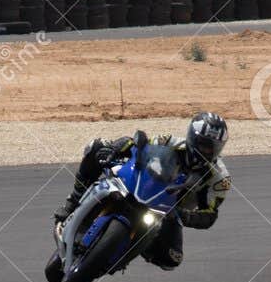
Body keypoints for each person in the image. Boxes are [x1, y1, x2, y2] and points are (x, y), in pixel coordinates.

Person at [52, 111, 230, 270]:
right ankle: (73, 202)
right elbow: (139, 148)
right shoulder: (169, 142)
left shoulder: (219, 179)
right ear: (192, 137)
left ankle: (131, 247)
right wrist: (115, 149)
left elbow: (209, 215)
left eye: (213, 147)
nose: (207, 150)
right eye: (204, 144)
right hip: (142, 186)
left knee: (171, 259)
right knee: (97, 147)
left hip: (170, 212)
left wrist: (186, 216)